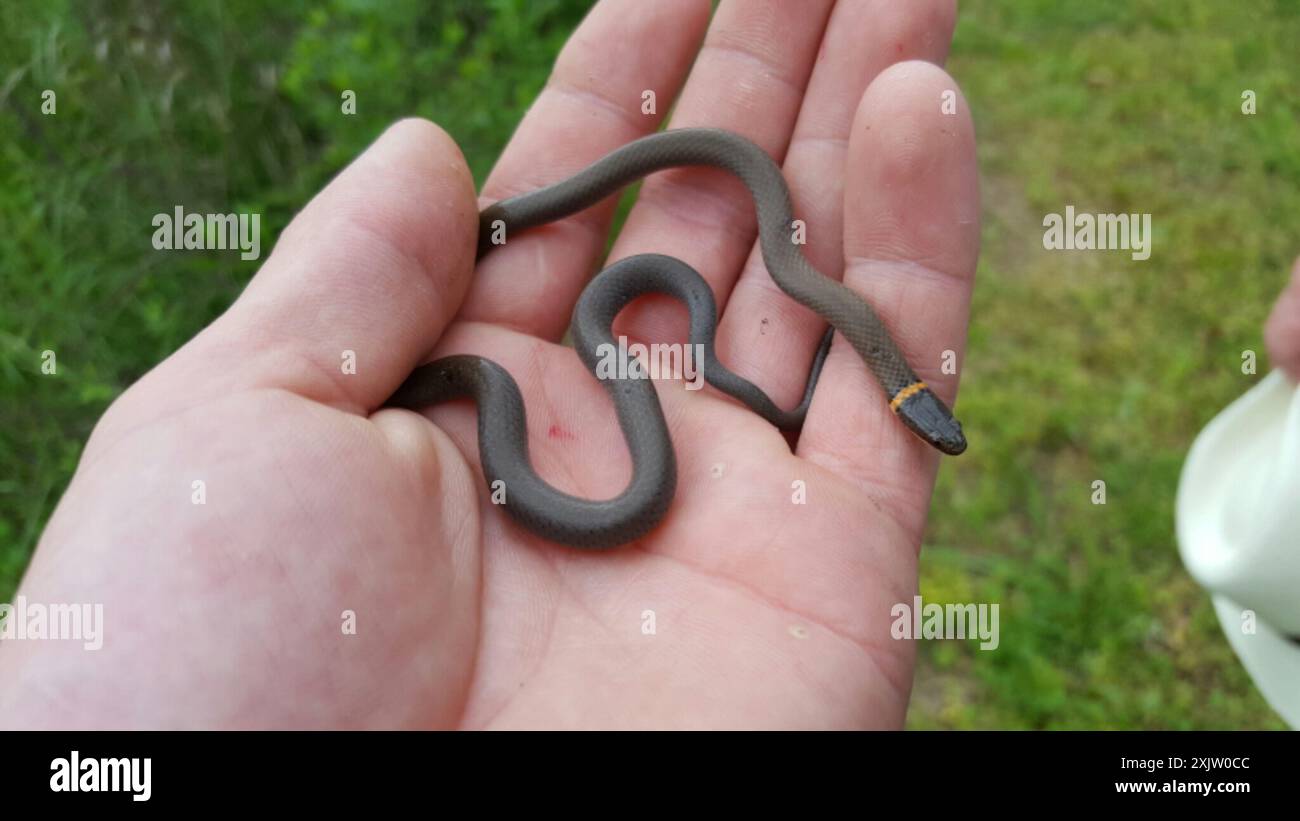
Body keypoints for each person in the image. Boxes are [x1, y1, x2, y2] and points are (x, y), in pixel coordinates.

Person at [3, 0, 981, 728]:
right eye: (929, 417)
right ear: (913, 404)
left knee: (547, 350)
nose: (936, 433)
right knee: (510, 363)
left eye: (926, 421)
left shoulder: (799, 282)